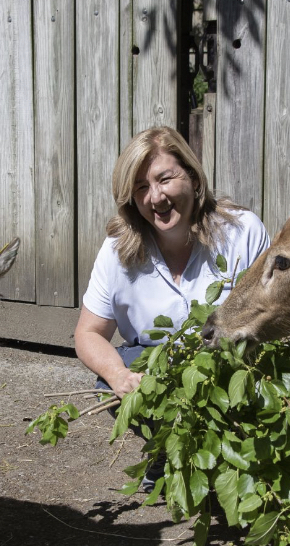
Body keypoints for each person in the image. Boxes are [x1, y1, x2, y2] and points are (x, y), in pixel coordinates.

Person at [75, 126, 269, 488]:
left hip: (232, 365)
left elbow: (272, 319)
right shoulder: (117, 251)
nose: (156, 197)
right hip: (160, 368)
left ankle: (230, 455)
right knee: (112, 375)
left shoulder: (242, 233)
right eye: (141, 187)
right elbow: (87, 334)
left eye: (165, 179)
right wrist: (120, 377)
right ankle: (169, 450)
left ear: (193, 178)